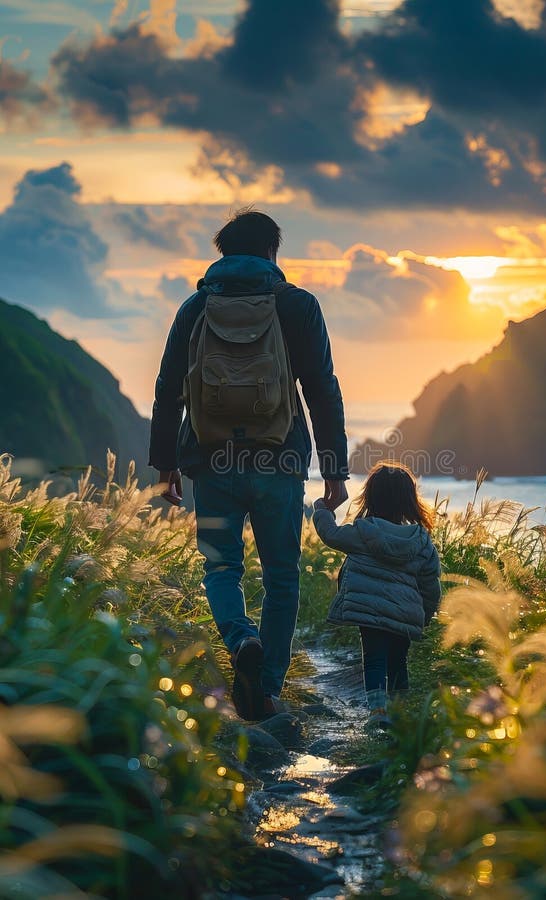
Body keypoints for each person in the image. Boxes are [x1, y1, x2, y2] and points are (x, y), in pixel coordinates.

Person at [149, 208, 349, 720]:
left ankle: (241, 641)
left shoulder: (195, 308)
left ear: (224, 253)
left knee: (221, 567)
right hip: (278, 458)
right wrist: (334, 469)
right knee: (283, 574)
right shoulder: (298, 305)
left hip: (210, 459)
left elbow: (168, 388)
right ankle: (269, 687)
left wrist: (166, 462)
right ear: (271, 252)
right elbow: (322, 390)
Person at [312, 462, 441, 728]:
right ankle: (400, 714)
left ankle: (378, 713)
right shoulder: (421, 540)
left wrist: (321, 510)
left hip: (368, 611)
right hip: (405, 614)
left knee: (374, 660)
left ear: (370, 497)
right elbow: (430, 583)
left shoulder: (363, 532)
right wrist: (426, 613)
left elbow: (331, 534)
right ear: (410, 501)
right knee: (398, 661)